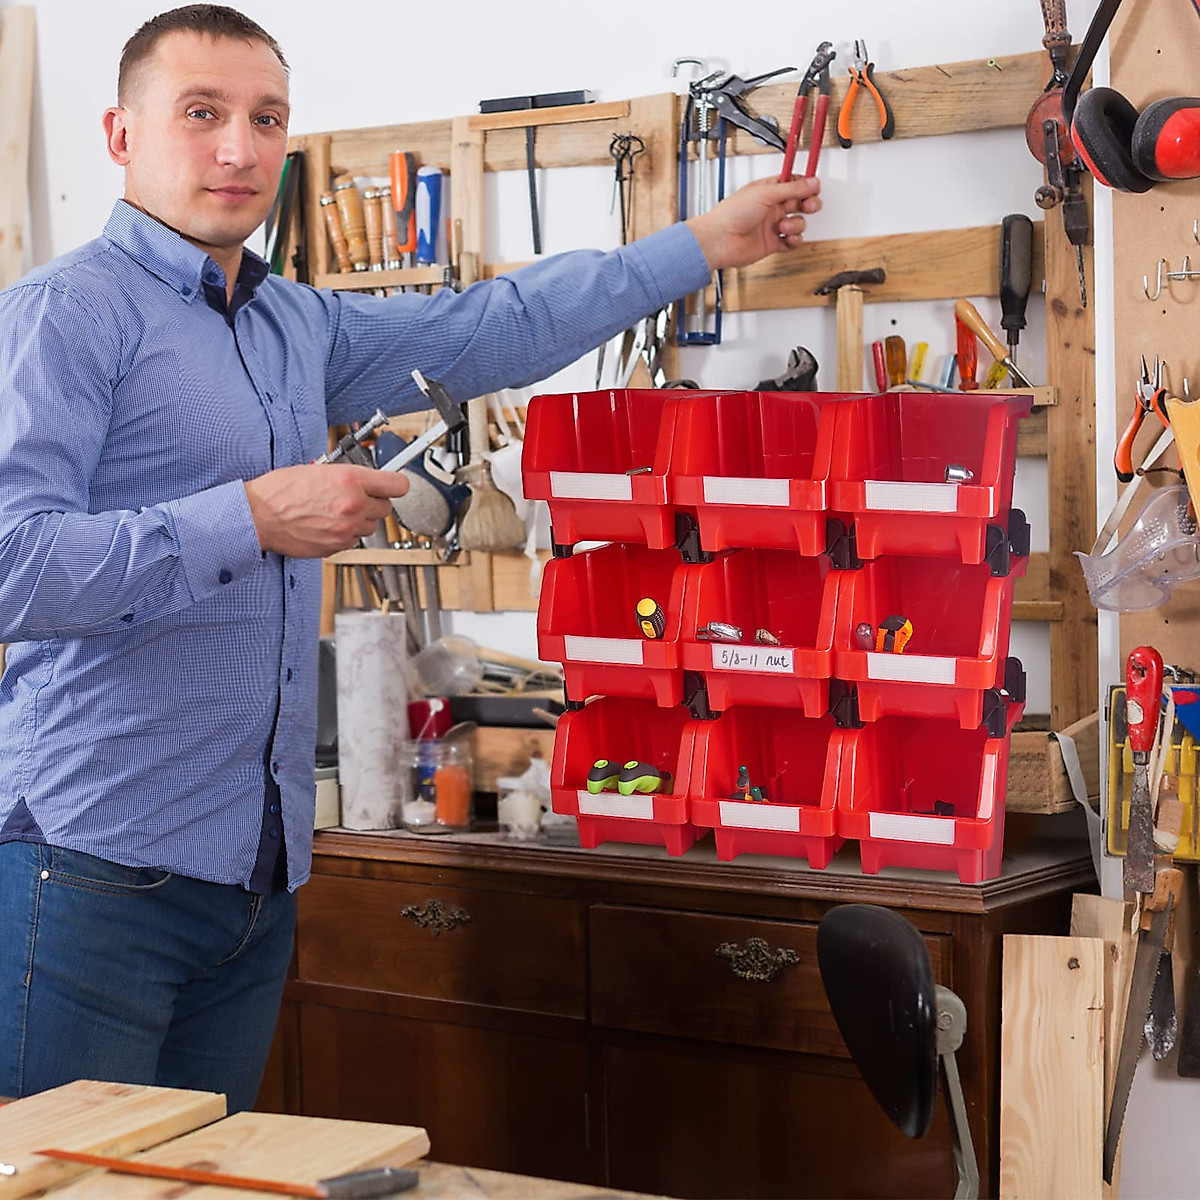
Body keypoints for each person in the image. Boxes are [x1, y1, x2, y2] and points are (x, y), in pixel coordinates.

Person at [0, 5, 822, 1112]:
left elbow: (493, 325)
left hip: (256, 873)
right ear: (121, 134)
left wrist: (703, 243)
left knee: (207, 1183)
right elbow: (13, 564)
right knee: (63, 1183)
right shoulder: (62, 316)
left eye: (267, 119)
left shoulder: (294, 327)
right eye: (201, 113)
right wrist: (249, 517)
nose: (239, 148)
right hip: (91, 866)